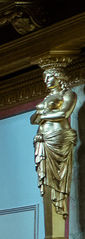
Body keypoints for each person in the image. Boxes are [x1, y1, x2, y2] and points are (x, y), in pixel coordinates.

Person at [32, 64, 78, 220]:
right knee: (45, 177)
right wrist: (41, 115)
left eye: (50, 76)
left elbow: (64, 113)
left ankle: (59, 209)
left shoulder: (69, 94)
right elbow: (33, 119)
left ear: (59, 78)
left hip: (59, 138)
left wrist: (43, 115)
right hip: (43, 139)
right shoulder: (47, 98)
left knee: (58, 178)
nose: (46, 80)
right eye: (45, 77)